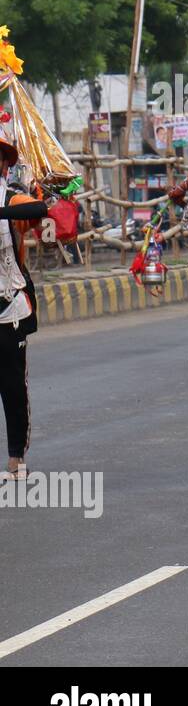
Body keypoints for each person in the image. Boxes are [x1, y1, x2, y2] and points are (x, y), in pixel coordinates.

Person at [0, 140, 48, 482]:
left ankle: (16, 455)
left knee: (13, 386)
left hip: (7, 307)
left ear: (4, 166)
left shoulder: (11, 199)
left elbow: (40, 209)